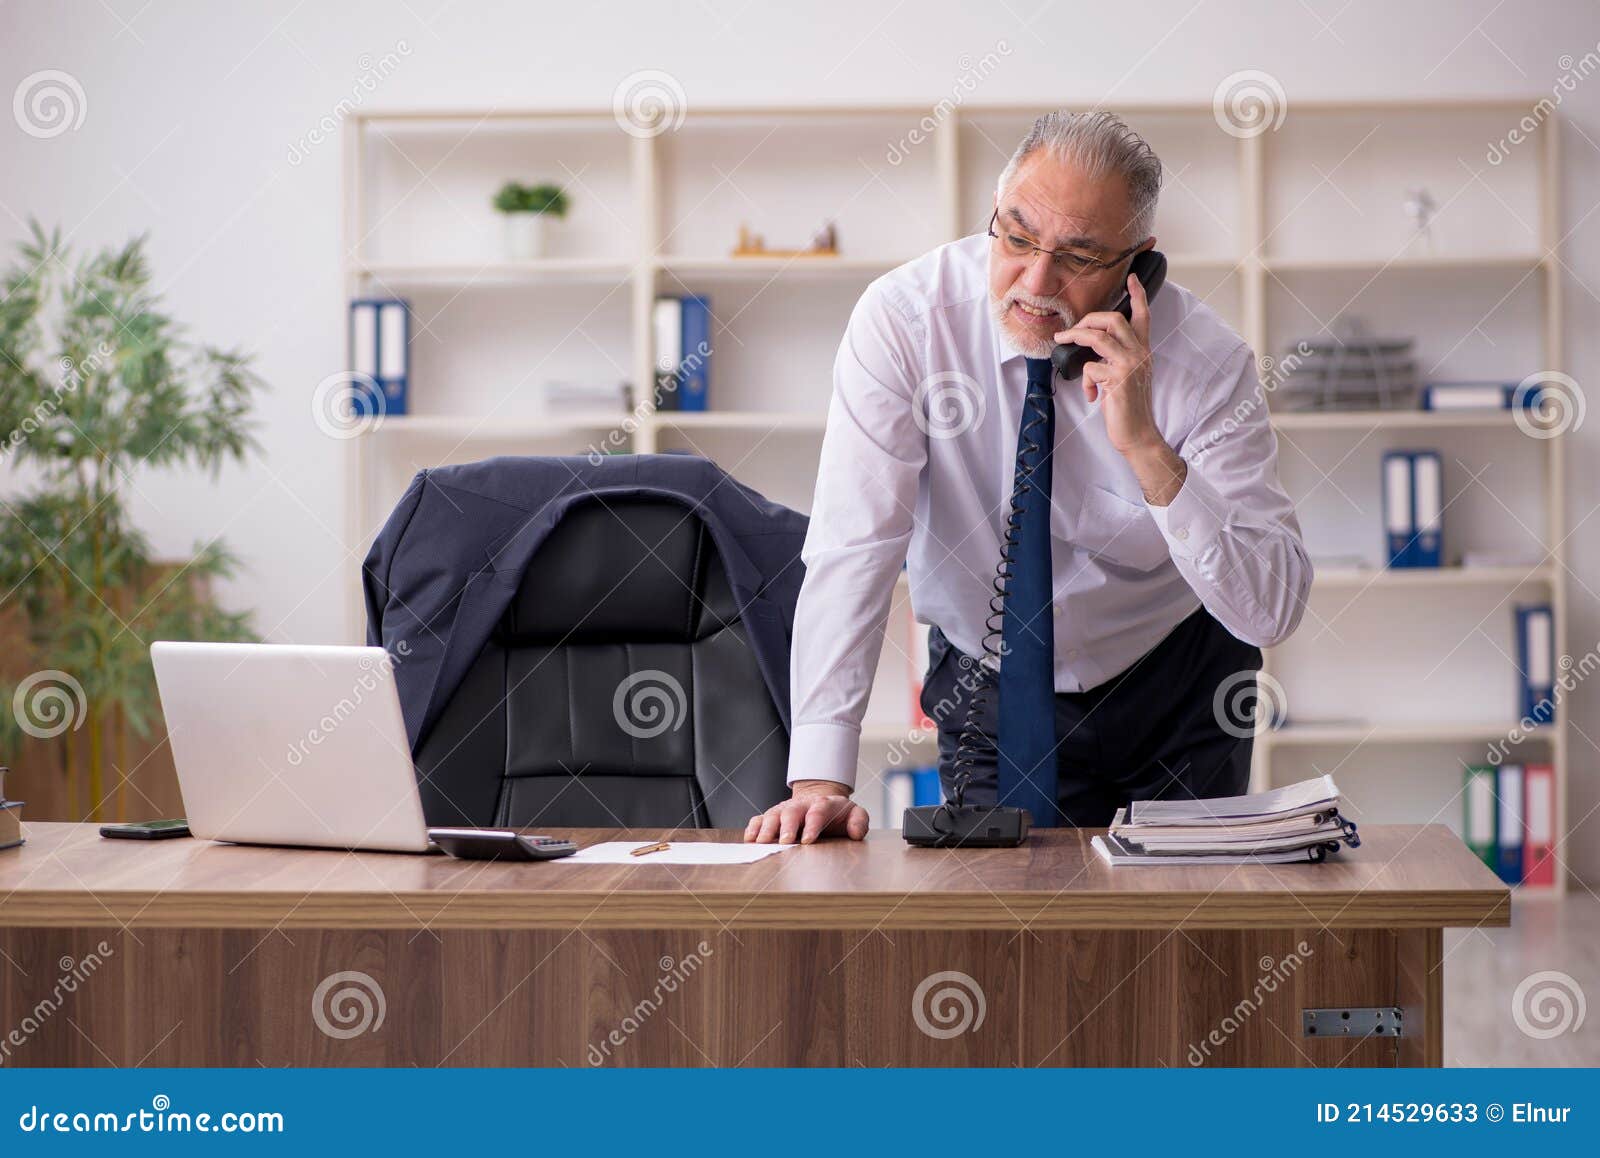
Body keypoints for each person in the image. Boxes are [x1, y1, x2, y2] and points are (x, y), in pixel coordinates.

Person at [745, 109, 1310, 845]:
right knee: (1004, 926)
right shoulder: (907, 322)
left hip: (1175, 682)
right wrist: (819, 776)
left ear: (1138, 262)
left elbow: (1271, 611)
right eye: (1015, 237)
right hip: (991, 681)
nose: (1034, 281)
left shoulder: (1206, 364)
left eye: (1078, 257)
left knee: (1180, 943)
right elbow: (856, 545)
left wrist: (1145, 447)